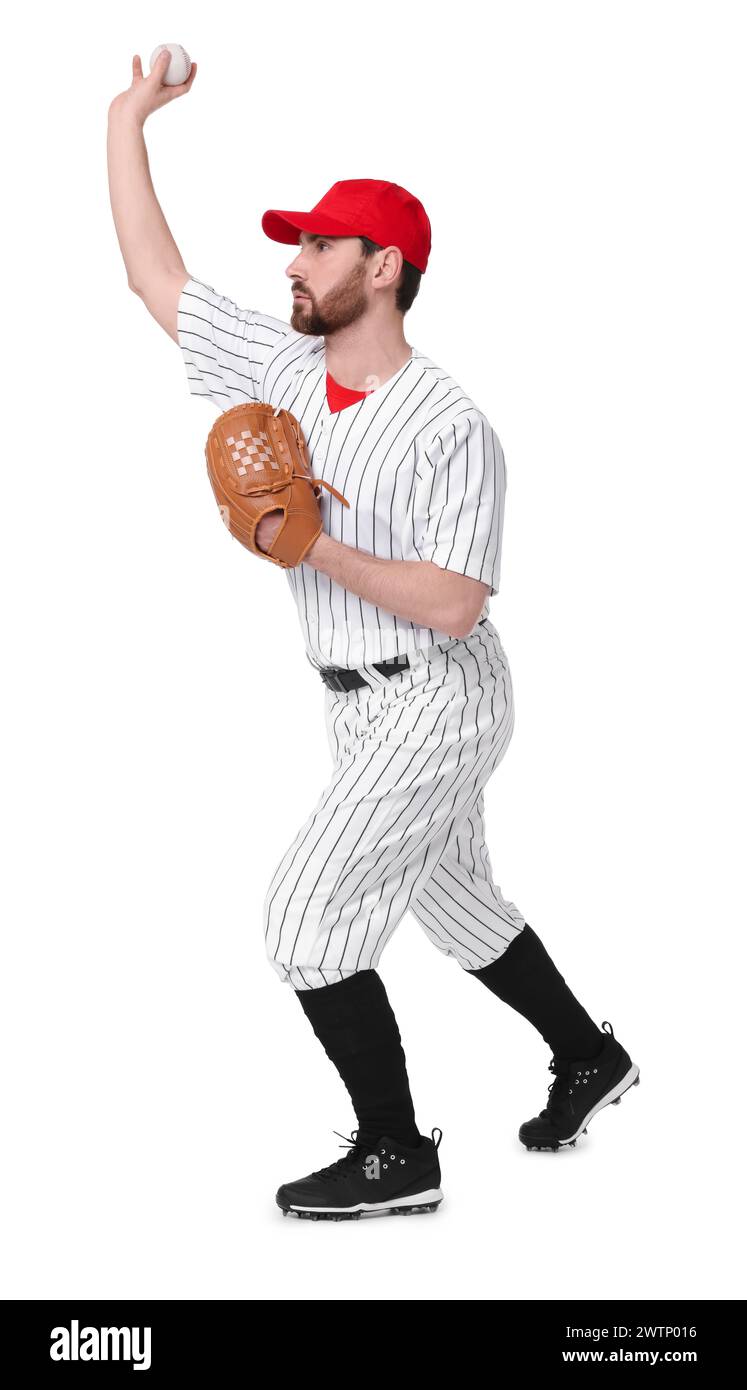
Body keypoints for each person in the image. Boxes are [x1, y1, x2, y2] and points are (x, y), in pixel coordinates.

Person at [107, 52, 640, 1222]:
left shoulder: (454, 425)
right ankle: (587, 1056)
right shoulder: (286, 365)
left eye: (316, 245)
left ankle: (398, 1152)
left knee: (303, 915)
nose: (292, 264)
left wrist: (313, 548)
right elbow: (157, 278)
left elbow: (456, 605)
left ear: (382, 267)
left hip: (442, 688)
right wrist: (127, 117)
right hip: (353, 697)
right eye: (295, 245)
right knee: (452, 895)